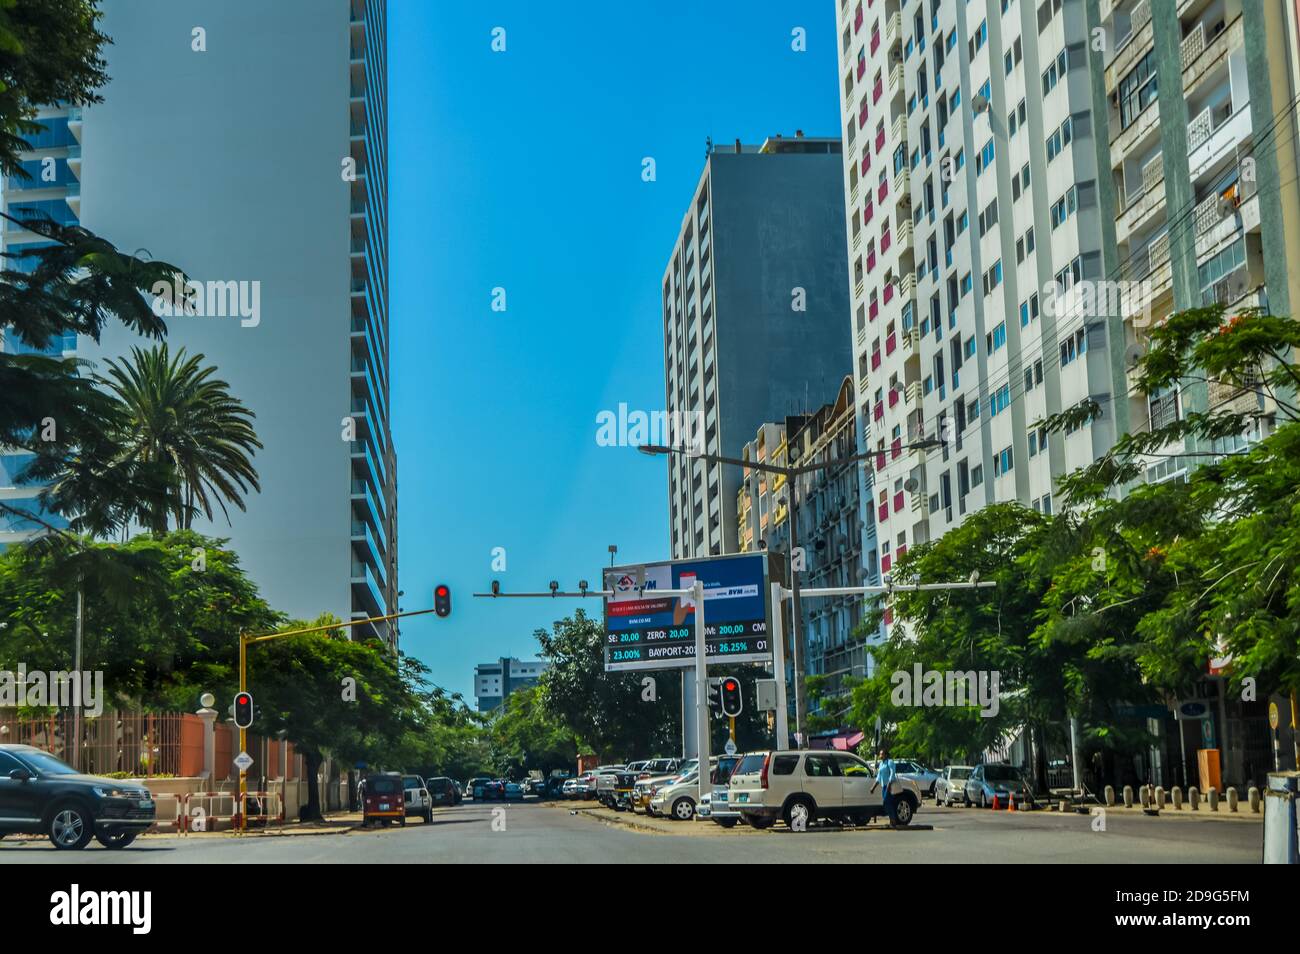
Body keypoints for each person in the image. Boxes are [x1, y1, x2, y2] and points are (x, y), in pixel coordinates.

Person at [876, 752, 898, 826]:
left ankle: (893, 820)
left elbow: (892, 773)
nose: (880, 755)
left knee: (886, 802)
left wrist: (889, 784)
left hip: (889, 786)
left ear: (886, 755)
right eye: (880, 754)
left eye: (882, 754)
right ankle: (892, 820)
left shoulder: (890, 762)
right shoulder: (881, 764)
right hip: (884, 786)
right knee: (888, 803)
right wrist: (873, 787)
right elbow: (879, 776)